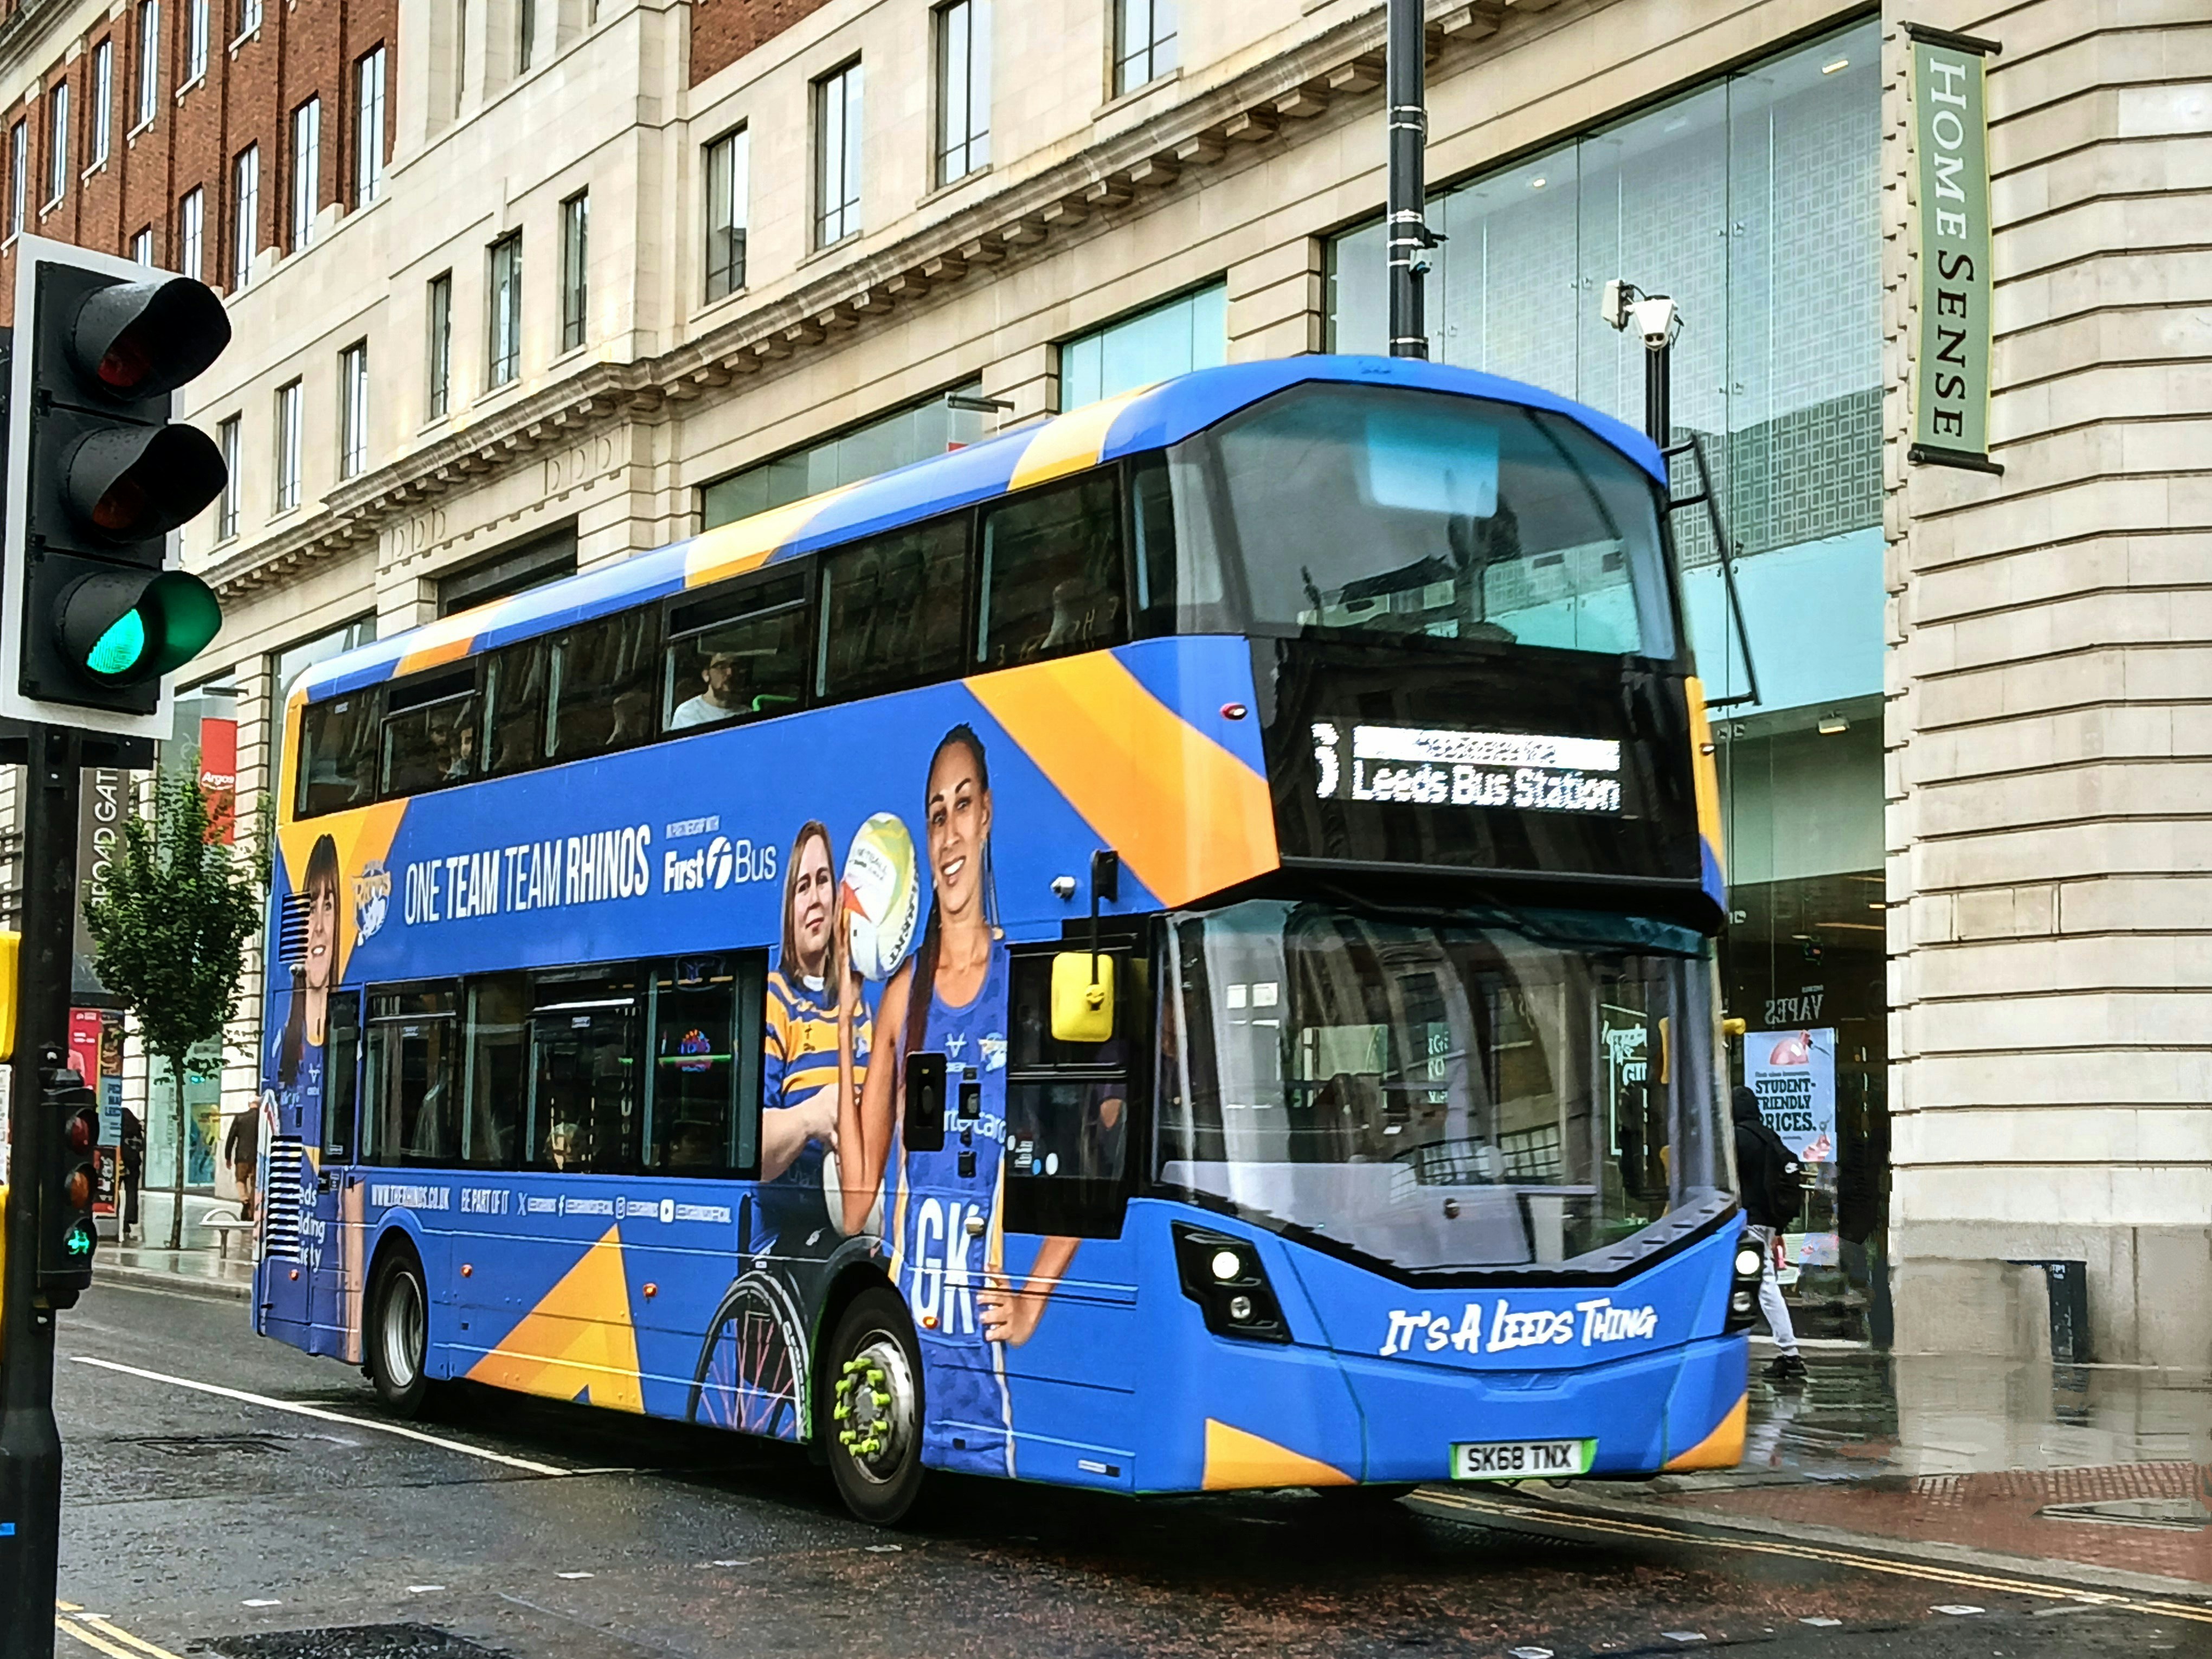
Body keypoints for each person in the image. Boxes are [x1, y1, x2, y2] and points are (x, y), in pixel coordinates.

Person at [835, 725, 1083, 1476]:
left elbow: (1083, 1152)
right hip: (905, 1352)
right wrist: (851, 1013)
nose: (948, 832)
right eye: (935, 813)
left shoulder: (1029, 985)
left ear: (987, 818)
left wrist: (1034, 1297)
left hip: (986, 1391)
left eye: (962, 806)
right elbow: (855, 1206)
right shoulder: (903, 996)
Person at [759, 822, 869, 1250]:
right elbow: (750, 1153)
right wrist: (812, 1117)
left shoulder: (859, 1008)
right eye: (803, 886)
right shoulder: (776, 999)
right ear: (790, 906)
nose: (816, 899)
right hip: (789, 1233)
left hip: (854, 1226)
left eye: (823, 881)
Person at [1733, 1085, 1806, 1382]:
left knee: (1763, 1285)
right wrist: (1778, 1230)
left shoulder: (1737, 1138)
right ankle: (1787, 1353)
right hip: (1765, 1224)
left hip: (1745, 1223)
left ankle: (1790, 1354)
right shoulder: (1768, 1137)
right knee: (1760, 1283)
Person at [671, 652, 744, 729]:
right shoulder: (687, 713)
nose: (730, 673)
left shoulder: (747, 714)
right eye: (722, 667)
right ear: (706, 675)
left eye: (735, 667)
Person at [224, 1103, 261, 1224]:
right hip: (257, 1157)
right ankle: (252, 1209)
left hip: (242, 1157)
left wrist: (228, 1157)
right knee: (254, 1183)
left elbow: (231, 1138)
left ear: (250, 1105)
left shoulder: (240, 1118)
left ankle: (245, 1200)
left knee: (241, 1180)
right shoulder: (262, 1119)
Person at [118, 1105, 145, 1241]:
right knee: (132, 1193)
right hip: (134, 1163)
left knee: (114, 1193)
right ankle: (129, 1220)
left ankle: (117, 1219)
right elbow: (142, 1145)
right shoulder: (136, 1128)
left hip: (120, 1162)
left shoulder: (119, 1128)